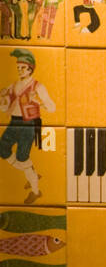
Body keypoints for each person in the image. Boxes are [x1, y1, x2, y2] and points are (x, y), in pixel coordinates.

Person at [0, 48, 52, 204]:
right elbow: (4, 105)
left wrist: (39, 103)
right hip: (14, 122)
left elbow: (52, 107)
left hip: (28, 125)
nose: (19, 70)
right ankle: (31, 174)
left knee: (23, 157)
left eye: (22, 67)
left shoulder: (37, 87)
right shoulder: (14, 85)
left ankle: (36, 191)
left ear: (30, 68)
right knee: (2, 149)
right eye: (18, 67)